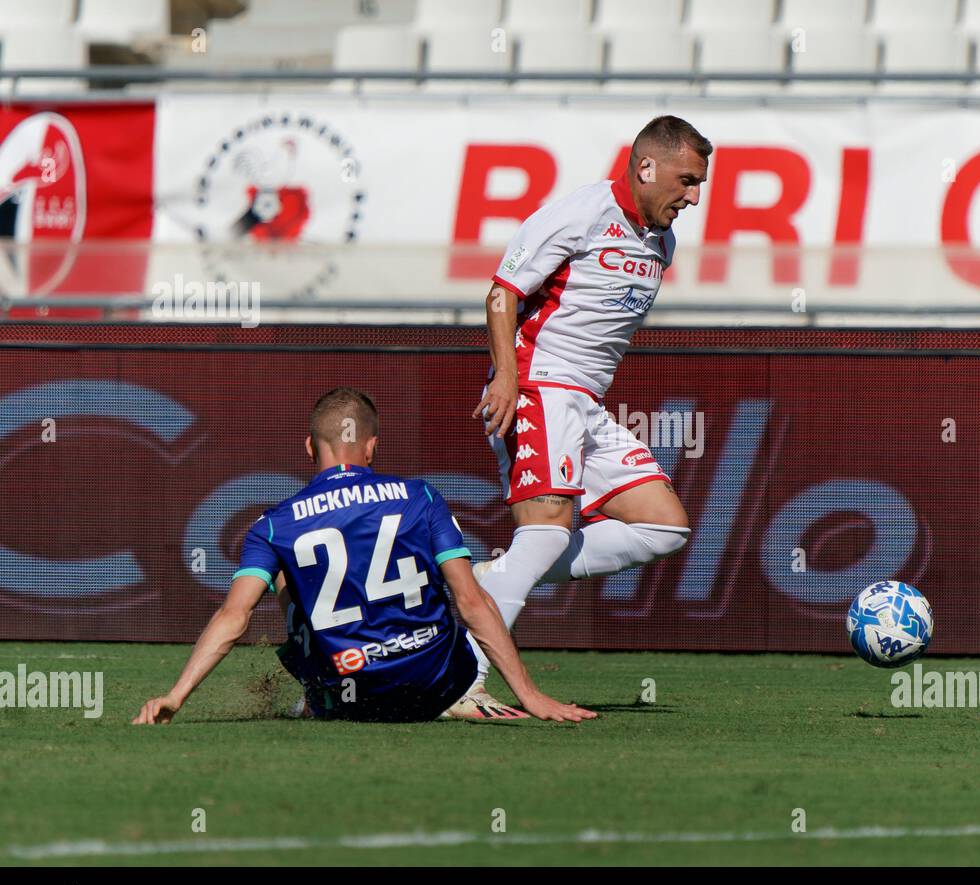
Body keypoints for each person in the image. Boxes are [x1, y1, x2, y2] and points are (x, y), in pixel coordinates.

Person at [134, 387, 596, 725]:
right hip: (436, 686)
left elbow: (234, 618)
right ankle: (467, 695)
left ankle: (318, 694)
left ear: (310, 446)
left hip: (352, 698)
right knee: (442, 575)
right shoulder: (420, 497)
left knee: (283, 576)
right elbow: (474, 604)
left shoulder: (273, 523)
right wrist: (531, 696)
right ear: (372, 447)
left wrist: (176, 695)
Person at [472, 115, 710, 633]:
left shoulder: (660, 245)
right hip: (538, 383)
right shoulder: (582, 212)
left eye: (699, 185)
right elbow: (501, 293)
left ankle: (487, 580)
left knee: (663, 527)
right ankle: (469, 679)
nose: (693, 198)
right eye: (687, 180)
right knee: (549, 530)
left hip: (586, 402)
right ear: (646, 167)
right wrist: (507, 378)